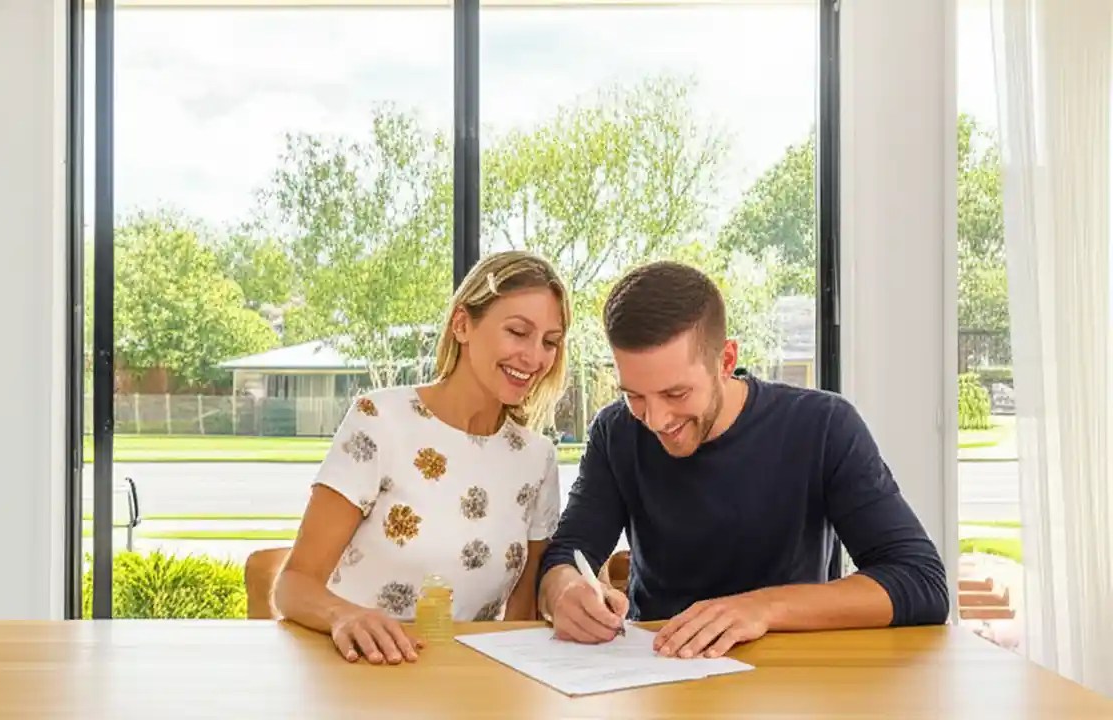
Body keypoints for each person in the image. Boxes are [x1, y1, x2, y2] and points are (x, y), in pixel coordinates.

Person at [537, 261, 949, 659]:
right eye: (635, 396)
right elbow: (568, 553)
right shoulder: (615, 432)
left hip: (791, 678)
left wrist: (761, 609)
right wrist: (565, 593)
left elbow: (921, 581)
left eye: (676, 394)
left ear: (726, 361)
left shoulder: (822, 426)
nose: (657, 420)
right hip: (660, 671)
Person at [274, 251, 571, 665]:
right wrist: (344, 615)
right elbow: (292, 584)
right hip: (357, 672)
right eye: (518, 332)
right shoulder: (379, 420)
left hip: (464, 687)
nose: (535, 357)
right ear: (463, 324)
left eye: (550, 342)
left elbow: (519, 622)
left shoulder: (536, 459)